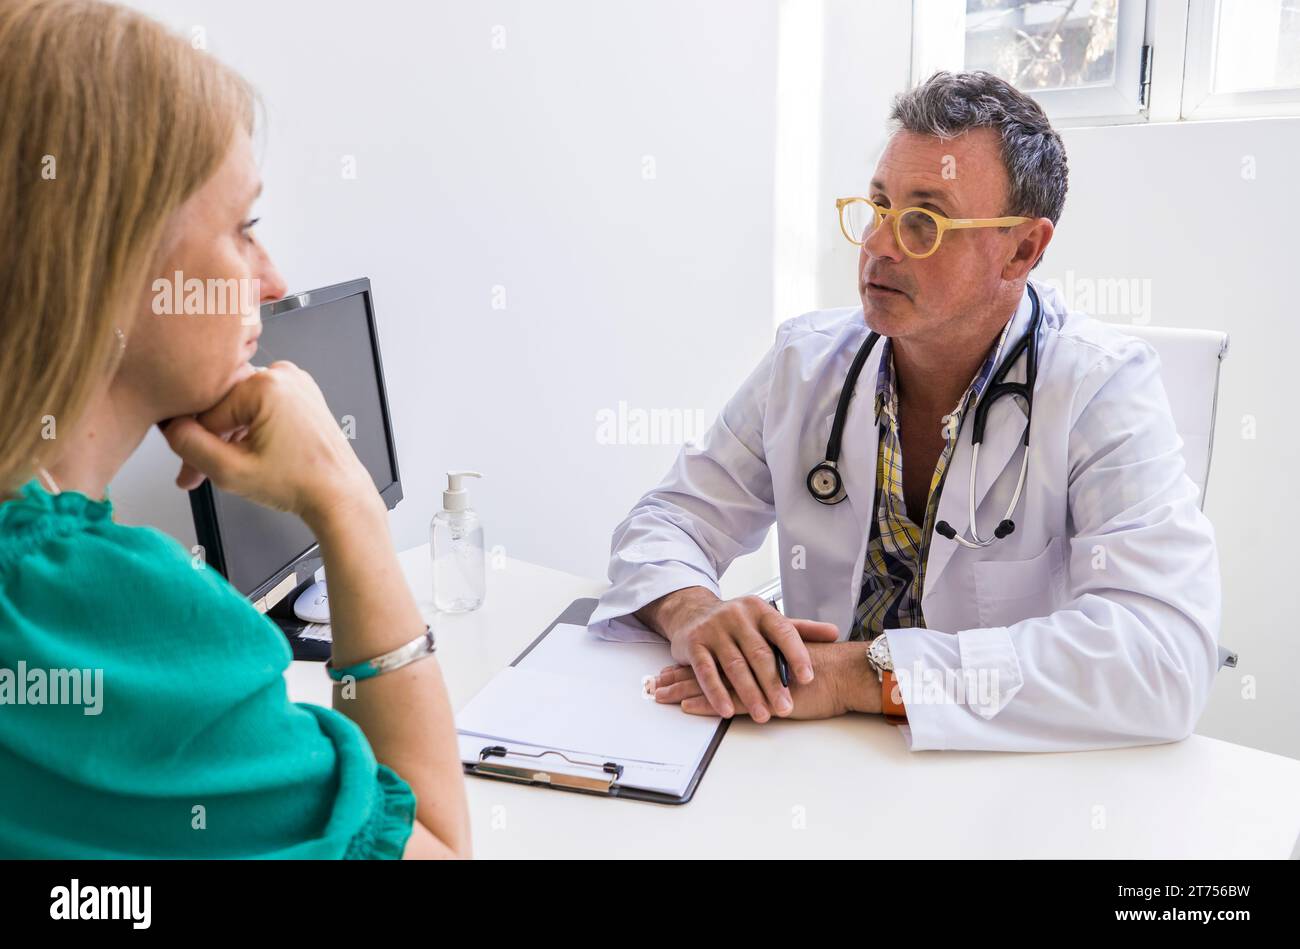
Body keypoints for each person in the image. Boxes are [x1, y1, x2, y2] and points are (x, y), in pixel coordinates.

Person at [590, 71, 1221, 753]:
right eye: (880, 206)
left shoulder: (1100, 387)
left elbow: (1163, 656)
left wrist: (854, 676)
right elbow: (668, 519)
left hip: (1006, 778)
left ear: (1022, 249)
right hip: (818, 757)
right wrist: (694, 611)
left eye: (925, 220)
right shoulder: (807, 363)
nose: (880, 245)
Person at [0, 0, 469, 857]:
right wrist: (345, 499)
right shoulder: (91, 618)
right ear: (108, 258)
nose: (272, 277)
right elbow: (438, 842)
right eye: (243, 229)